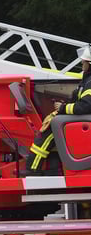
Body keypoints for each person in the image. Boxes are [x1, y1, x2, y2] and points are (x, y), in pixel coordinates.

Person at [26, 46, 91, 174]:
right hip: (84, 118)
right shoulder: (87, 80)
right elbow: (79, 100)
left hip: (85, 119)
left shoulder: (90, 82)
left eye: (84, 62)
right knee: (55, 126)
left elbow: (86, 106)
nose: (82, 64)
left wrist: (63, 108)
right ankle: (54, 168)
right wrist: (64, 105)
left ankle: (32, 170)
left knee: (51, 130)